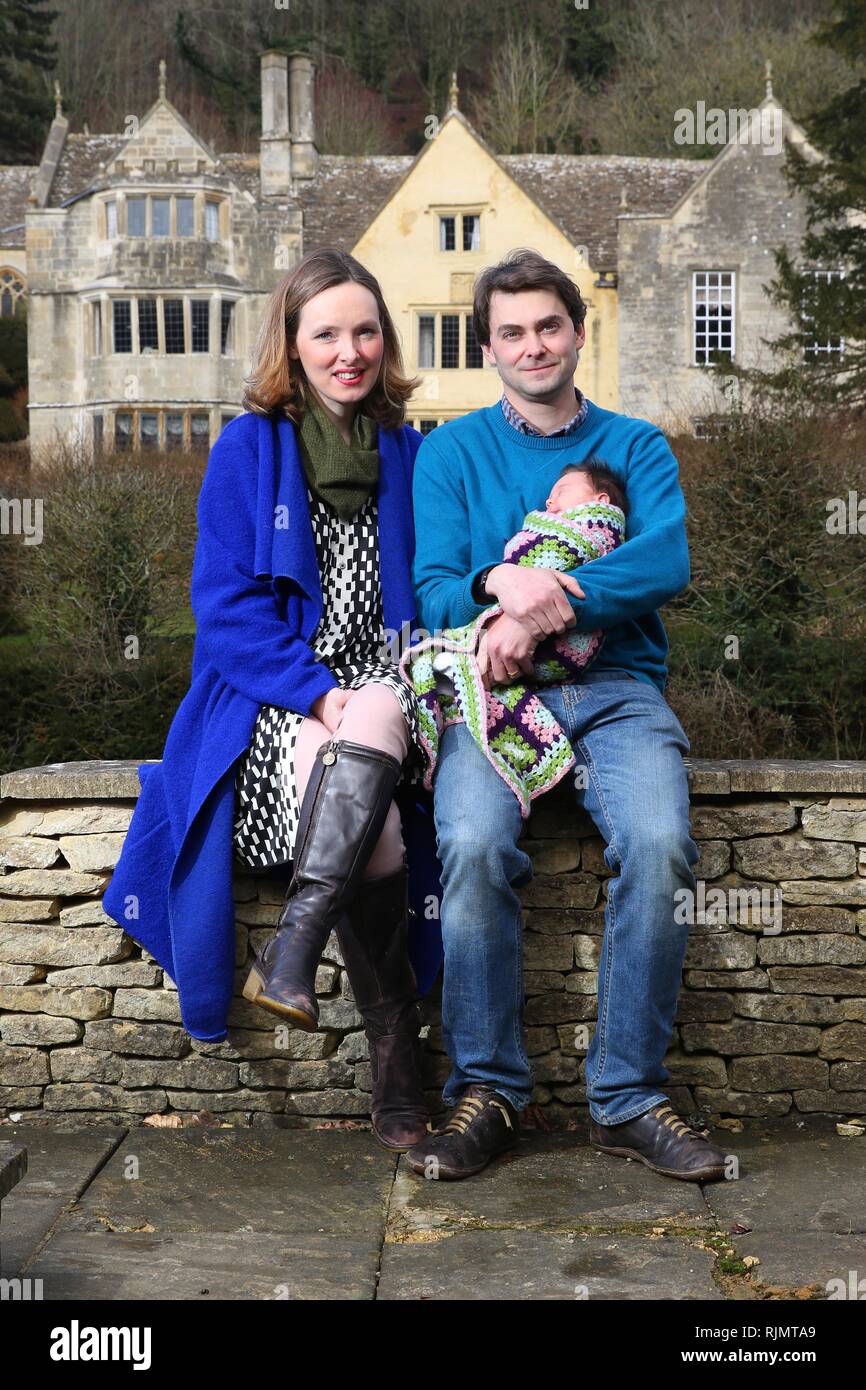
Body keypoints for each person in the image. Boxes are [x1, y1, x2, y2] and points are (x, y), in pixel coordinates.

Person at [404, 247, 735, 1184]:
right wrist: (489, 583)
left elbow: (663, 565)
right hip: (495, 699)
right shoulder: (450, 452)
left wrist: (538, 594)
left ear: (579, 333)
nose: (533, 344)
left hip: (618, 692)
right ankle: (490, 1093)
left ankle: (627, 1097)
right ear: (487, 347)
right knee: (468, 844)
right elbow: (432, 591)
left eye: (550, 325)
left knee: (662, 842)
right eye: (511, 331)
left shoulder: (637, 446)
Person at [103, 248, 440, 1153]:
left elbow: (432, 596)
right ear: (291, 345)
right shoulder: (249, 447)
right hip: (272, 702)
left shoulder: (410, 450)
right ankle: (395, 1064)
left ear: (385, 339)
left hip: (391, 694)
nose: (350, 351)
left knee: (378, 710)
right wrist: (318, 692)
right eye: (326, 332)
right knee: (385, 834)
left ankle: (291, 955)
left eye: (365, 330)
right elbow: (224, 610)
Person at [398, 459, 627, 815]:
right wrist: (499, 579)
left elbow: (555, 561)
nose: (550, 503)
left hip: (585, 669)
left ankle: (454, 684)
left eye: (561, 492)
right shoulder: (448, 452)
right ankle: (450, 687)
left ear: (599, 501)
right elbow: (435, 593)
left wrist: (528, 617)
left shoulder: (591, 534)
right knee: (473, 837)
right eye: (550, 497)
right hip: (517, 660)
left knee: (453, 664)